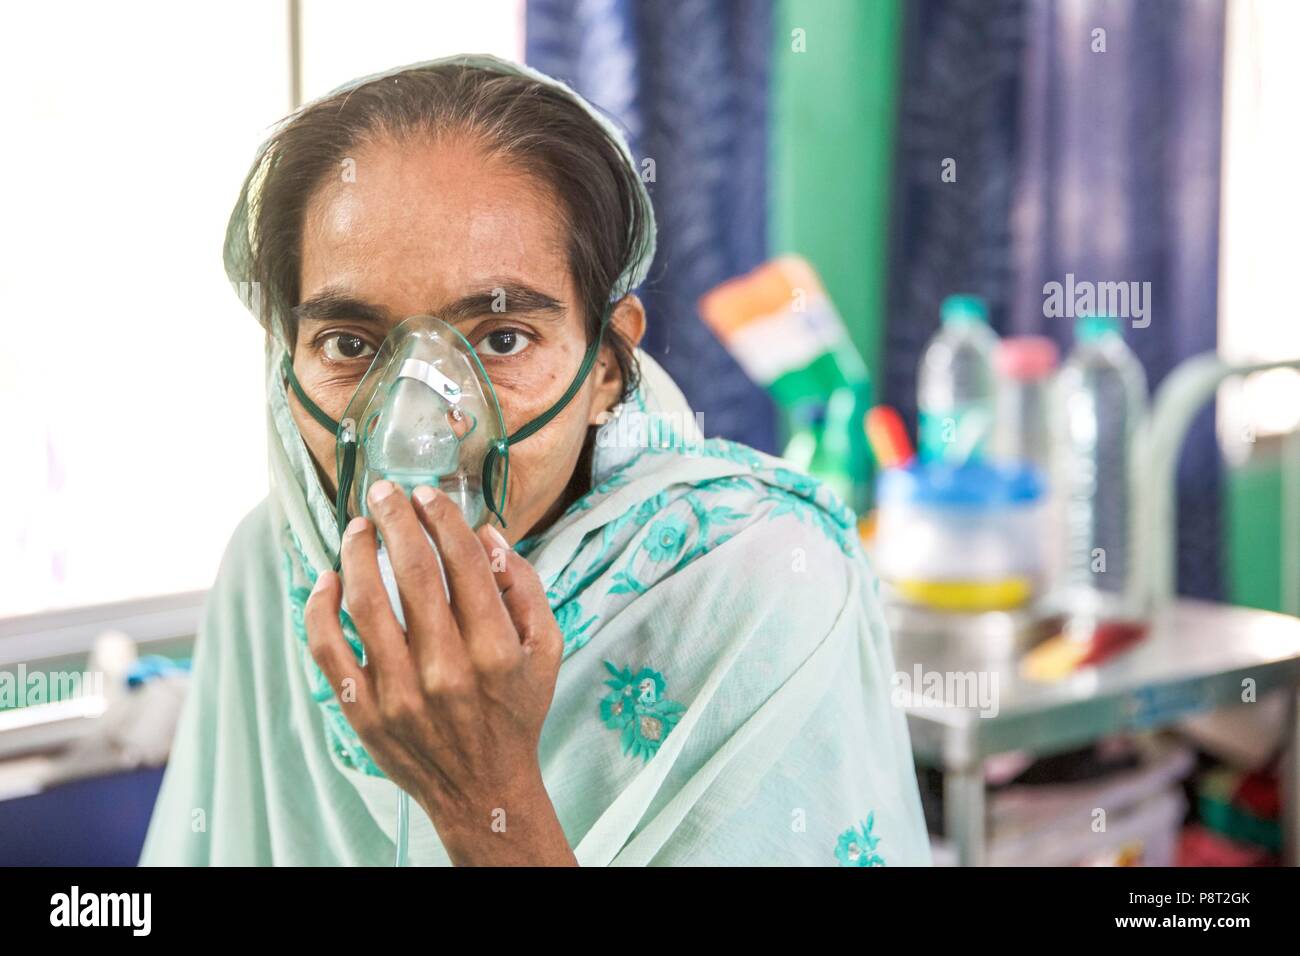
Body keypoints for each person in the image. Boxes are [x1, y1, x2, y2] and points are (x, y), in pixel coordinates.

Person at [139, 54, 931, 866]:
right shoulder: (276, 572)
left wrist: (483, 793)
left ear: (606, 367)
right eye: (350, 344)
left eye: (503, 338)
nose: (417, 428)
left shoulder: (762, 587)